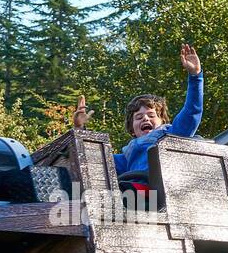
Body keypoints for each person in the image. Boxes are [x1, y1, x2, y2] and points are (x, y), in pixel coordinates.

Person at [73, 44, 203, 178]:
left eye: (151, 115)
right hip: (134, 194)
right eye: (139, 117)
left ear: (162, 121)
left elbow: (191, 112)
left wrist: (195, 77)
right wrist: (79, 129)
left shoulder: (171, 135)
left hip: (162, 190)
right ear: (132, 129)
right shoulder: (127, 156)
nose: (145, 119)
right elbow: (93, 160)